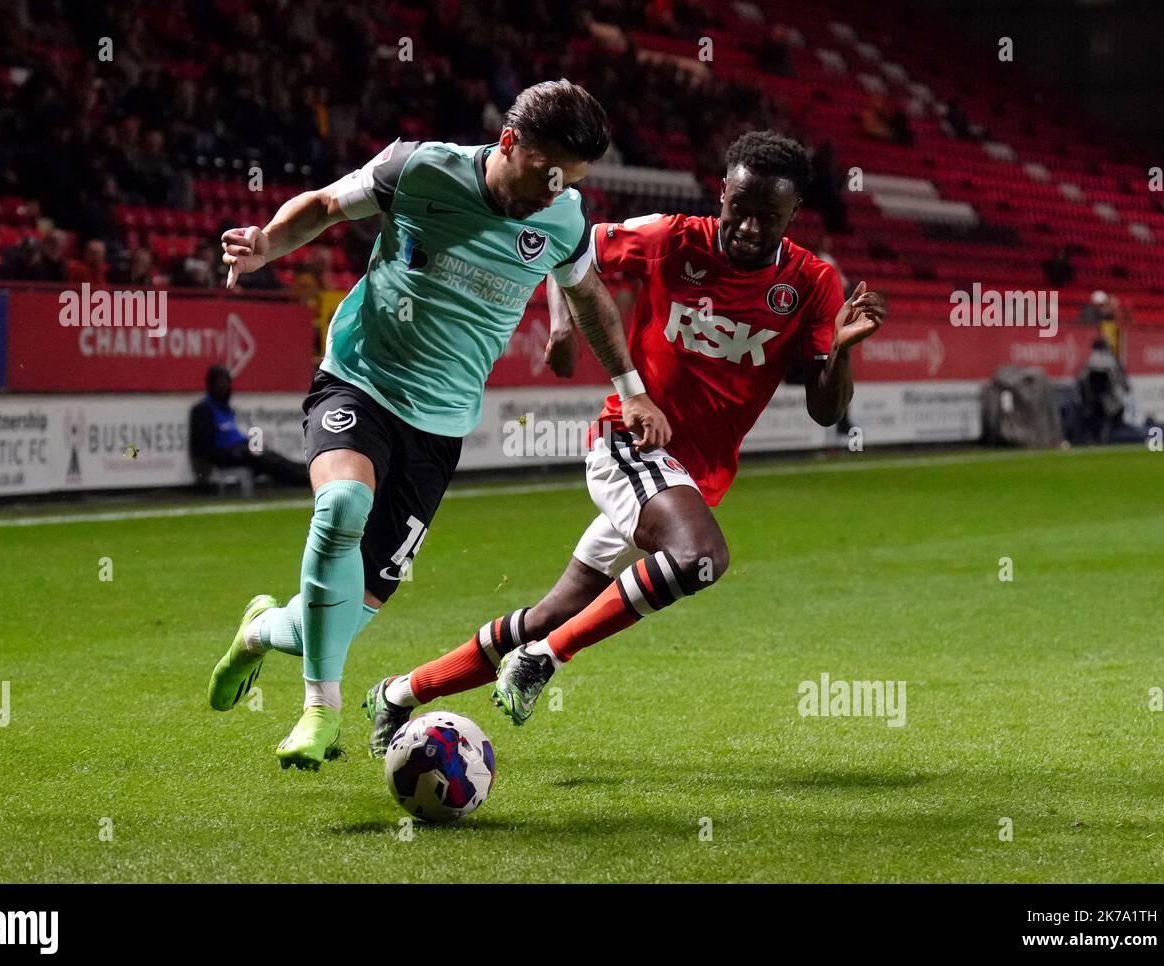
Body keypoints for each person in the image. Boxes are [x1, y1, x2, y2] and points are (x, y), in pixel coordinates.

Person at [345, 131, 887, 755]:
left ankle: (398, 693)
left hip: (687, 478)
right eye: (740, 209)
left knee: (551, 611)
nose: (748, 228)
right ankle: (544, 660)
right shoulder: (670, 238)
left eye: (769, 217)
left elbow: (825, 410)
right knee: (699, 556)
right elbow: (566, 248)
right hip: (629, 445)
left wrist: (841, 353)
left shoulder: (812, 283)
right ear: (723, 194)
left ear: (794, 216)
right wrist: (560, 325)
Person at [204, 80, 671, 772]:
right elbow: (329, 204)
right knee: (341, 504)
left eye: (567, 181)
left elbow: (589, 294)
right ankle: (319, 710)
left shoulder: (564, 217)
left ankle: (258, 633)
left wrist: (630, 387)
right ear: (508, 142)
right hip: (360, 379)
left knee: (321, 623)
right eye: (545, 173)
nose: (553, 192)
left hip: (439, 425)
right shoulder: (421, 168)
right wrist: (268, 244)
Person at [189, 365, 310, 487]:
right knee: (267, 461)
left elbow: (233, 434)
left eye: (226, 382)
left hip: (241, 448)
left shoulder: (225, 408)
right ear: (211, 384)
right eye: (220, 382)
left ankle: (308, 471)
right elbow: (206, 446)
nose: (223, 386)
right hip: (230, 454)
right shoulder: (204, 409)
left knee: (272, 455)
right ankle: (303, 479)